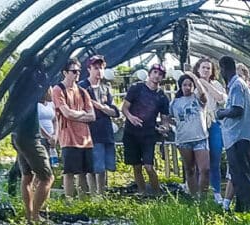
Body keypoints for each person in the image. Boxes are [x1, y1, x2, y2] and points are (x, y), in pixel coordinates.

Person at [11, 67, 54, 224]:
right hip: (29, 136)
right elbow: (48, 97)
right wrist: (45, 77)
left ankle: (29, 216)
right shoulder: (33, 85)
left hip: (17, 133)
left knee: (27, 176)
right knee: (47, 178)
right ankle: (35, 217)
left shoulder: (16, 82)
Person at [223, 63, 250, 210]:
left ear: (246, 77)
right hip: (236, 140)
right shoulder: (232, 95)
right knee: (234, 174)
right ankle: (226, 204)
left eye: (240, 75)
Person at [122, 63, 171, 195]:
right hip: (131, 133)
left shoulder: (162, 97)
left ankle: (157, 195)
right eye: (155, 72)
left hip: (149, 134)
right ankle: (142, 193)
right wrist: (131, 117)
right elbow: (124, 108)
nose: (157, 76)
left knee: (149, 167)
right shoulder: (136, 88)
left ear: (162, 77)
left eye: (160, 74)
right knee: (136, 166)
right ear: (149, 73)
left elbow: (165, 119)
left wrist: (164, 128)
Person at [215, 56, 250, 212]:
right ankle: (241, 206)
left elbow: (237, 109)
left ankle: (246, 208)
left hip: (238, 136)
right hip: (234, 136)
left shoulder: (237, 85)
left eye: (220, 69)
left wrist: (222, 113)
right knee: (237, 173)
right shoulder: (235, 85)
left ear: (224, 68)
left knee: (240, 173)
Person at [52, 59, 95, 199]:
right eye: (74, 71)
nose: (77, 74)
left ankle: (84, 200)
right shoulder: (58, 89)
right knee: (69, 172)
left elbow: (92, 116)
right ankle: (69, 201)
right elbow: (67, 113)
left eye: (78, 71)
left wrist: (78, 115)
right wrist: (82, 114)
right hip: (68, 137)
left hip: (85, 139)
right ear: (65, 72)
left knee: (85, 171)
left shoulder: (83, 92)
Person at [81, 55, 118, 195]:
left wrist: (101, 107)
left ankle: (102, 194)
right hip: (90, 133)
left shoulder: (106, 88)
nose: (99, 71)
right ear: (89, 69)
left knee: (104, 166)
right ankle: (93, 194)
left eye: (101, 68)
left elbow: (114, 111)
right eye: (96, 68)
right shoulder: (82, 87)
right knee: (93, 166)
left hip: (106, 132)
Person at [169, 72, 209, 197]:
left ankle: (203, 196)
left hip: (200, 138)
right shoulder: (174, 103)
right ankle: (193, 196)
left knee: (204, 169)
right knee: (189, 169)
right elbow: (168, 118)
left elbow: (203, 95)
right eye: (184, 85)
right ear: (180, 86)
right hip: (183, 140)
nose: (187, 87)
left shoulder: (198, 99)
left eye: (190, 85)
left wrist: (195, 77)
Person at [193, 57, 227, 203]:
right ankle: (197, 192)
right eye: (203, 67)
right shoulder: (192, 85)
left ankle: (216, 191)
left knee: (215, 158)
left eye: (209, 68)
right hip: (197, 125)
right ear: (198, 69)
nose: (206, 70)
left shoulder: (216, 84)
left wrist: (205, 83)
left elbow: (221, 99)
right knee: (198, 161)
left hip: (213, 123)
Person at [37, 87, 57, 166]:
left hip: (51, 139)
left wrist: (55, 136)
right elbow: (36, 123)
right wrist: (48, 136)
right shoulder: (36, 105)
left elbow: (55, 120)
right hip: (41, 138)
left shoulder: (51, 104)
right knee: (42, 165)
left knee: (51, 165)